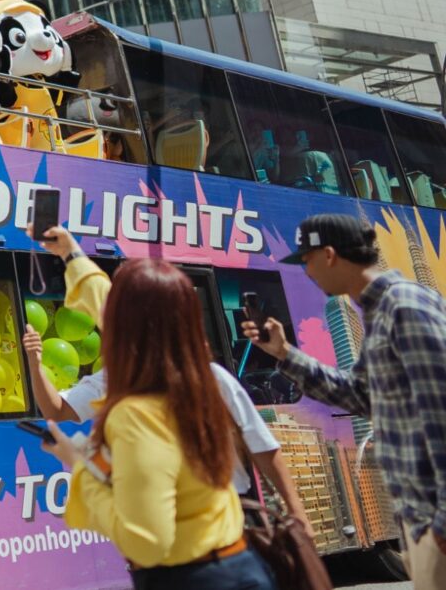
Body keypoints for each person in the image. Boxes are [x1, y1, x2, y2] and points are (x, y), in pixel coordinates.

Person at [25, 228, 311, 535]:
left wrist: (299, 518)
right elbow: (61, 410)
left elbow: (264, 449)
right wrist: (70, 252)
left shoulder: (210, 379)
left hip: (223, 524)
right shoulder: (117, 381)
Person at [42, 256, 275, 588]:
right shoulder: (201, 383)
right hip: (238, 564)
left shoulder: (135, 413)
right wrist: (70, 253)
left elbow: (147, 544)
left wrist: (81, 468)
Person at [244, 213, 446, 587]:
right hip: (422, 517)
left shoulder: (403, 307)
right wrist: (285, 354)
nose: (306, 272)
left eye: (306, 260)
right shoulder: (383, 311)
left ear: (331, 255)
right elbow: (362, 396)